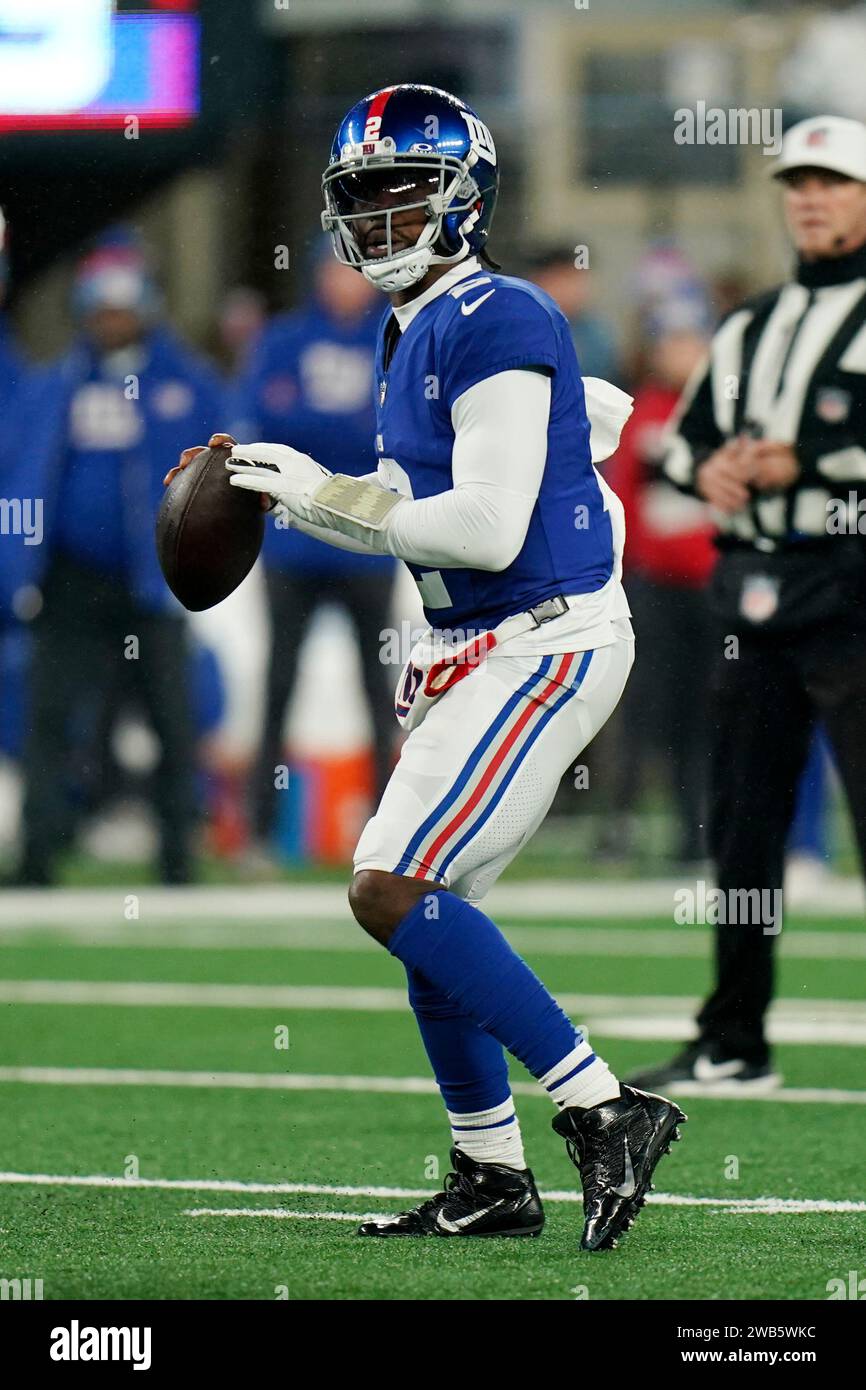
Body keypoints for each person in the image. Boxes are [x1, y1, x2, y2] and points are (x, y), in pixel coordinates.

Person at [173, 84, 685, 1251]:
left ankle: (603, 1102)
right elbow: (421, 491)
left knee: (390, 884)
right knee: (422, 906)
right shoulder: (415, 323)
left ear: (465, 196)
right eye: (362, 196)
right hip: (483, 648)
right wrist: (289, 480)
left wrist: (317, 496)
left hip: (543, 639)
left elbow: (489, 530)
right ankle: (490, 1174)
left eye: (405, 190)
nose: (381, 216)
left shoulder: (492, 313)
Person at [628, 115, 866, 1093]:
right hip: (751, 591)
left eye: (831, 181)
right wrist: (717, 465)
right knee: (740, 827)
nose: (808, 197)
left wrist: (804, 461)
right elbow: (679, 445)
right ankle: (733, 1035)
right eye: (795, 182)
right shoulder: (748, 325)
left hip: (851, 584)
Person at [9, 228, 222, 885]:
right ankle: (38, 855)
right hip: (70, 578)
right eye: (101, 304)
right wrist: (17, 566)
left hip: (152, 576)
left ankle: (178, 858)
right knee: (46, 717)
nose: (112, 316)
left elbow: (229, 470)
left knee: (170, 718)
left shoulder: (186, 381)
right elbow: (20, 475)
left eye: (123, 303)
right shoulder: (56, 382)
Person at [230, 244, 397, 847]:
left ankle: (393, 833)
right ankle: (259, 830)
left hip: (368, 536)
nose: (345, 283)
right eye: (334, 269)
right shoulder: (285, 338)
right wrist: (340, 438)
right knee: (279, 685)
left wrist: (313, 437)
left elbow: (393, 432)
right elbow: (259, 428)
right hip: (295, 540)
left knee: (383, 692)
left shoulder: (395, 332)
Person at [525, 245, 621, 383]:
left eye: (577, 279)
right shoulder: (523, 326)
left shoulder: (595, 333)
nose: (572, 289)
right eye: (563, 279)